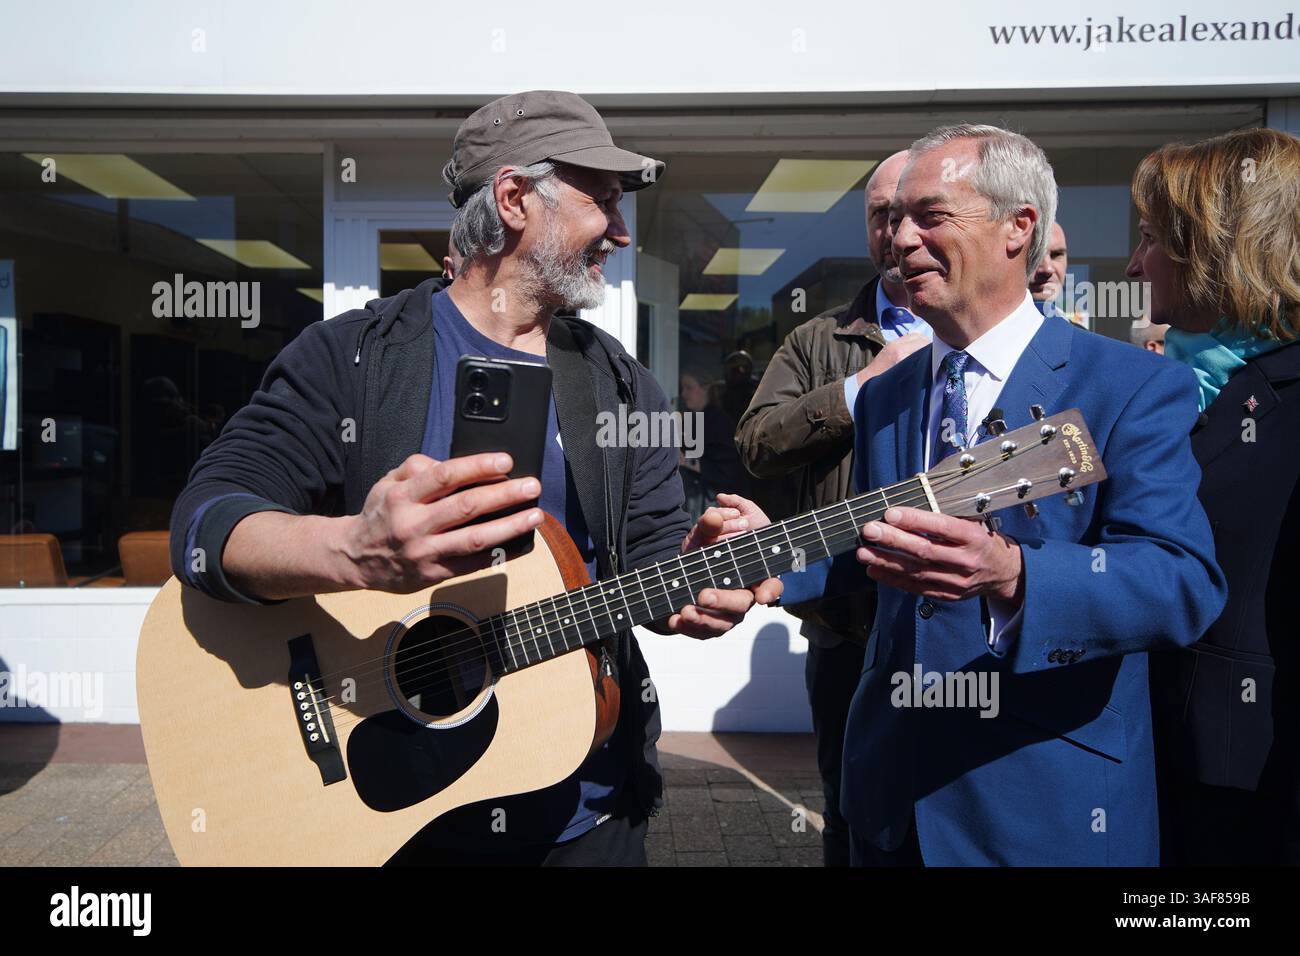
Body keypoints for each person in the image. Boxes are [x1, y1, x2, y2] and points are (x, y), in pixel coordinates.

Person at [169, 90, 780, 867]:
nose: (622, 233)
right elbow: (203, 522)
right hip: (390, 818)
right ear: (516, 199)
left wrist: (696, 576)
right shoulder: (350, 357)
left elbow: (655, 556)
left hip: (585, 810)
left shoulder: (621, 384)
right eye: (604, 202)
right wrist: (355, 552)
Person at [781, 124, 1225, 866]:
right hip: (890, 806)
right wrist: (765, 566)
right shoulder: (887, 392)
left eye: (930, 215)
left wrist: (1018, 575)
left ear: (1021, 227)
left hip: (1045, 811)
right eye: (892, 220)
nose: (899, 239)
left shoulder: (1132, 387)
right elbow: (874, 551)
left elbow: (1181, 583)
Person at [735, 149, 930, 865]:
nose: (895, 231)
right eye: (880, 215)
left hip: (953, 620)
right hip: (845, 624)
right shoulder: (819, 340)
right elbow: (756, 441)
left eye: (912, 213)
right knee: (849, 805)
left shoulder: (980, 335)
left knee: (943, 806)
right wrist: (857, 390)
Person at [1130, 127, 1300, 866]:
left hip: (1248, 805)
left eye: (1150, 240)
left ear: (1219, 247)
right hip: (1156, 775)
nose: (1134, 264)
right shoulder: (1174, 388)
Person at [678, 366, 750, 521]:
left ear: (705, 389)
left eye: (689, 388)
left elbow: (727, 468)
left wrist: (685, 461)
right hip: (696, 501)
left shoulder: (719, 422)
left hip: (715, 504)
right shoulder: (692, 419)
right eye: (682, 388)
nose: (683, 394)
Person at [1029, 222, 1087, 327]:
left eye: (1056, 255)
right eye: (1035, 255)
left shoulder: (1080, 337)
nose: (1048, 269)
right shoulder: (992, 335)